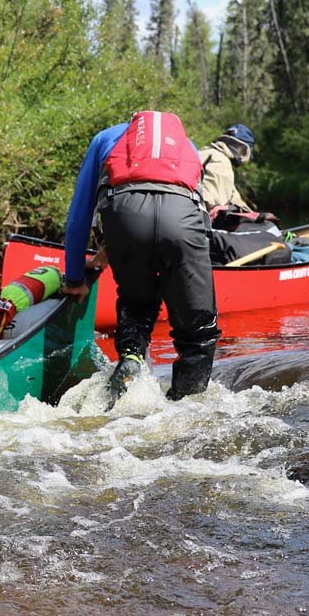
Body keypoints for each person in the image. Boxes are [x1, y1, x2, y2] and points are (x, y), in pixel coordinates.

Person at [59, 110, 220, 406]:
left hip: (123, 217)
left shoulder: (105, 138)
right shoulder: (189, 145)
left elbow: (78, 217)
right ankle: (187, 407)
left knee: (137, 303)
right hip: (183, 220)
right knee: (197, 331)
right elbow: (192, 212)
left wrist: (75, 280)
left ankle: (131, 355)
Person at [198, 124, 256, 213]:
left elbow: (235, 199)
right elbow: (217, 205)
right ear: (242, 149)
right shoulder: (221, 161)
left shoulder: (203, 152)